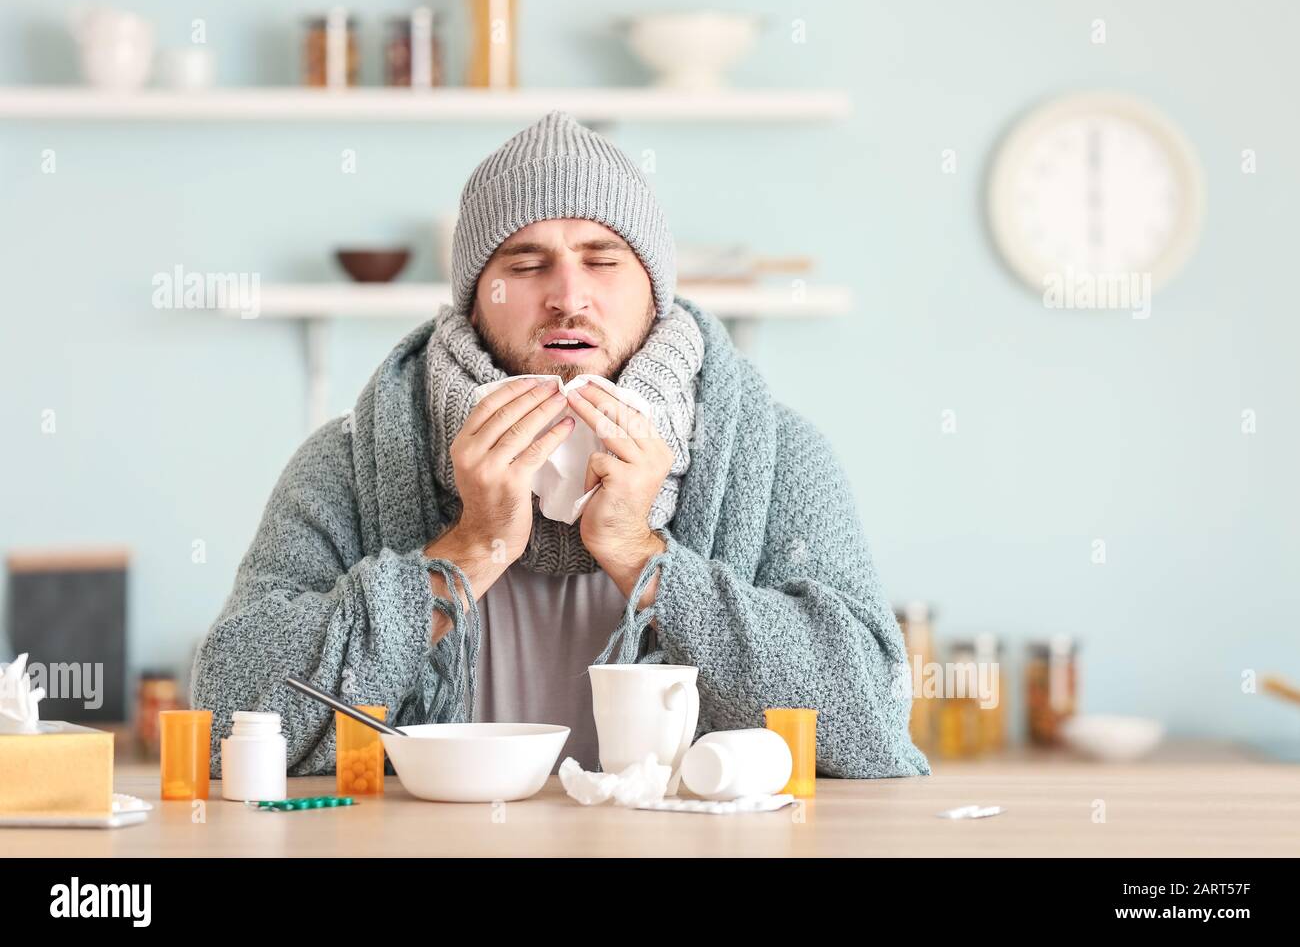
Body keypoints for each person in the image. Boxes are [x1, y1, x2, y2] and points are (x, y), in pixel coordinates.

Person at [192, 110, 931, 780]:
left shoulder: (777, 456)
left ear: (655, 292)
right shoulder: (351, 462)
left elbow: (870, 724)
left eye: (603, 259)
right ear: (476, 299)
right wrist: (466, 550)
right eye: (524, 263)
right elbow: (225, 722)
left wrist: (645, 558)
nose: (568, 296)